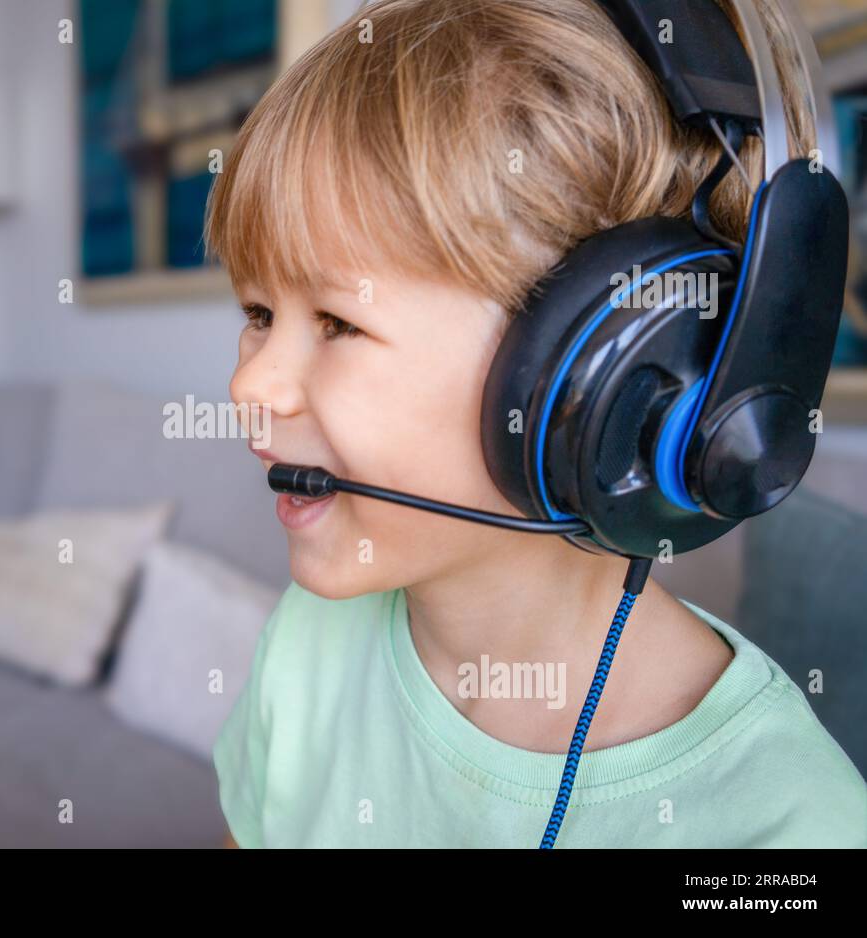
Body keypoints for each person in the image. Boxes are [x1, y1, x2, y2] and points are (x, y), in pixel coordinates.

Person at [206, 0, 867, 848]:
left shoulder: (786, 827)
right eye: (258, 311)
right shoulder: (307, 644)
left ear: (593, 370)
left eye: (338, 322)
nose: (250, 383)